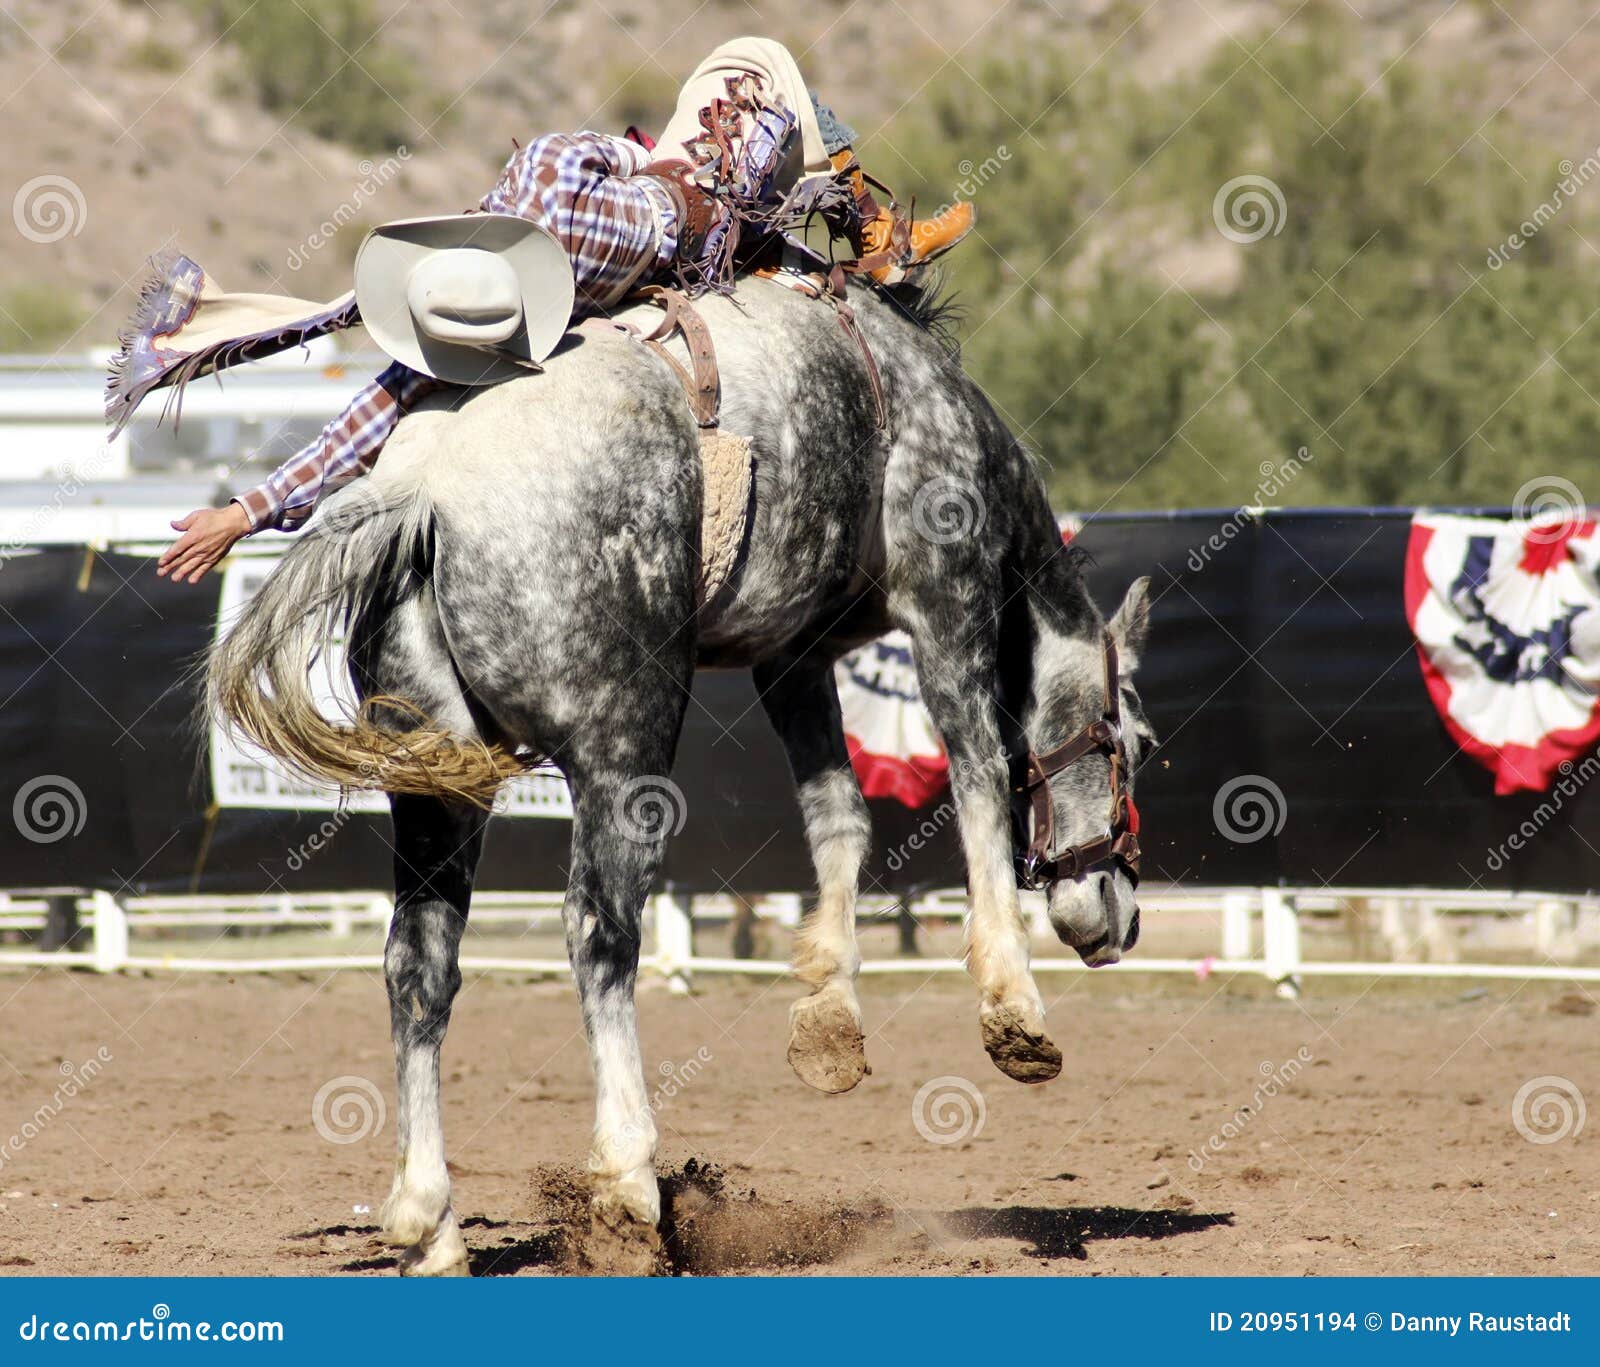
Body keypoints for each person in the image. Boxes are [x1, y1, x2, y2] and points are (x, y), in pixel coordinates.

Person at [154, 37, 974, 584]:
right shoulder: (538, 175)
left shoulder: (470, 321)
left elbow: (357, 429)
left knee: (768, 200)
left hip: (692, 225)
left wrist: (243, 514)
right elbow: (624, 150)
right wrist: (650, 159)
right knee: (786, 99)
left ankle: (866, 242)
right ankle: (872, 232)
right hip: (701, 205)